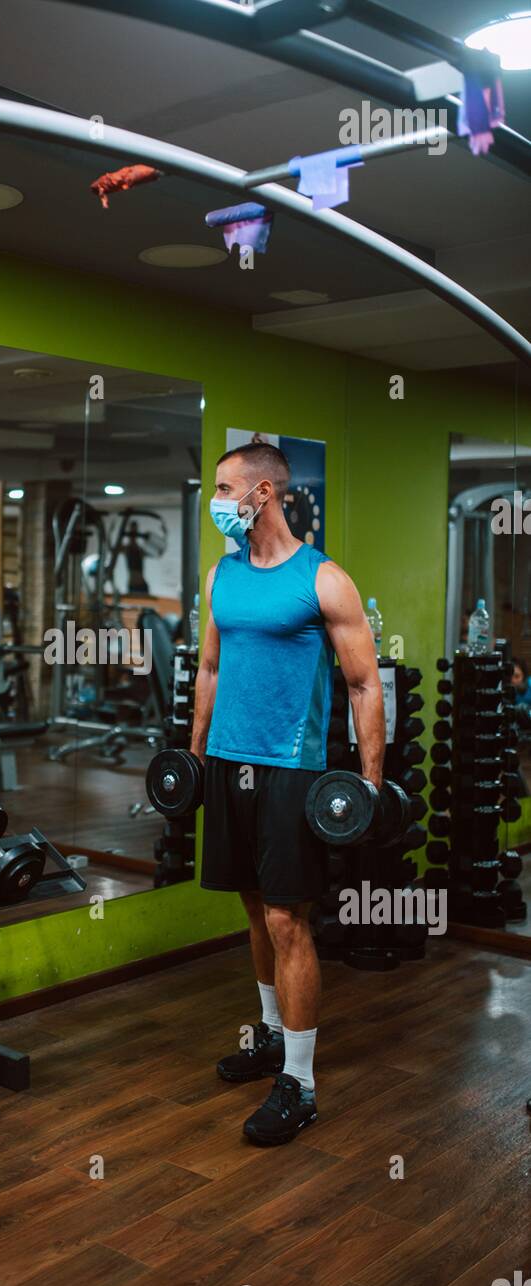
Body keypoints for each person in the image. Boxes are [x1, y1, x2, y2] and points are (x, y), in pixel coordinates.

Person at [191, 442, 385, 1145]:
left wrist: (368, 783)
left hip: (290, 768)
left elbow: (363, 684)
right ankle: (270, 1036)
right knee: (250, 904)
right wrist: (192, 756)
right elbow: (208, 670)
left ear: (263, 493)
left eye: (223, 488)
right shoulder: (222, 575)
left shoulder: (323, 578)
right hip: (226, 761)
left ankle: (298, 1083)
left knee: (285, 920)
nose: (215, 500)